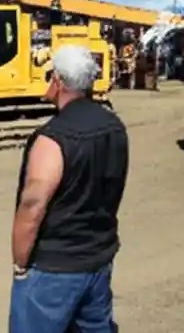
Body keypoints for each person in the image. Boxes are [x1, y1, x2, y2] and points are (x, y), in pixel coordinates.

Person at [10, 45, 129, 333]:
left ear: (59, 81)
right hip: (98, 259)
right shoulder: (115, 127)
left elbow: (33, 204)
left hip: (54, 268)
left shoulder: (53, 138)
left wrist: (20, 263)